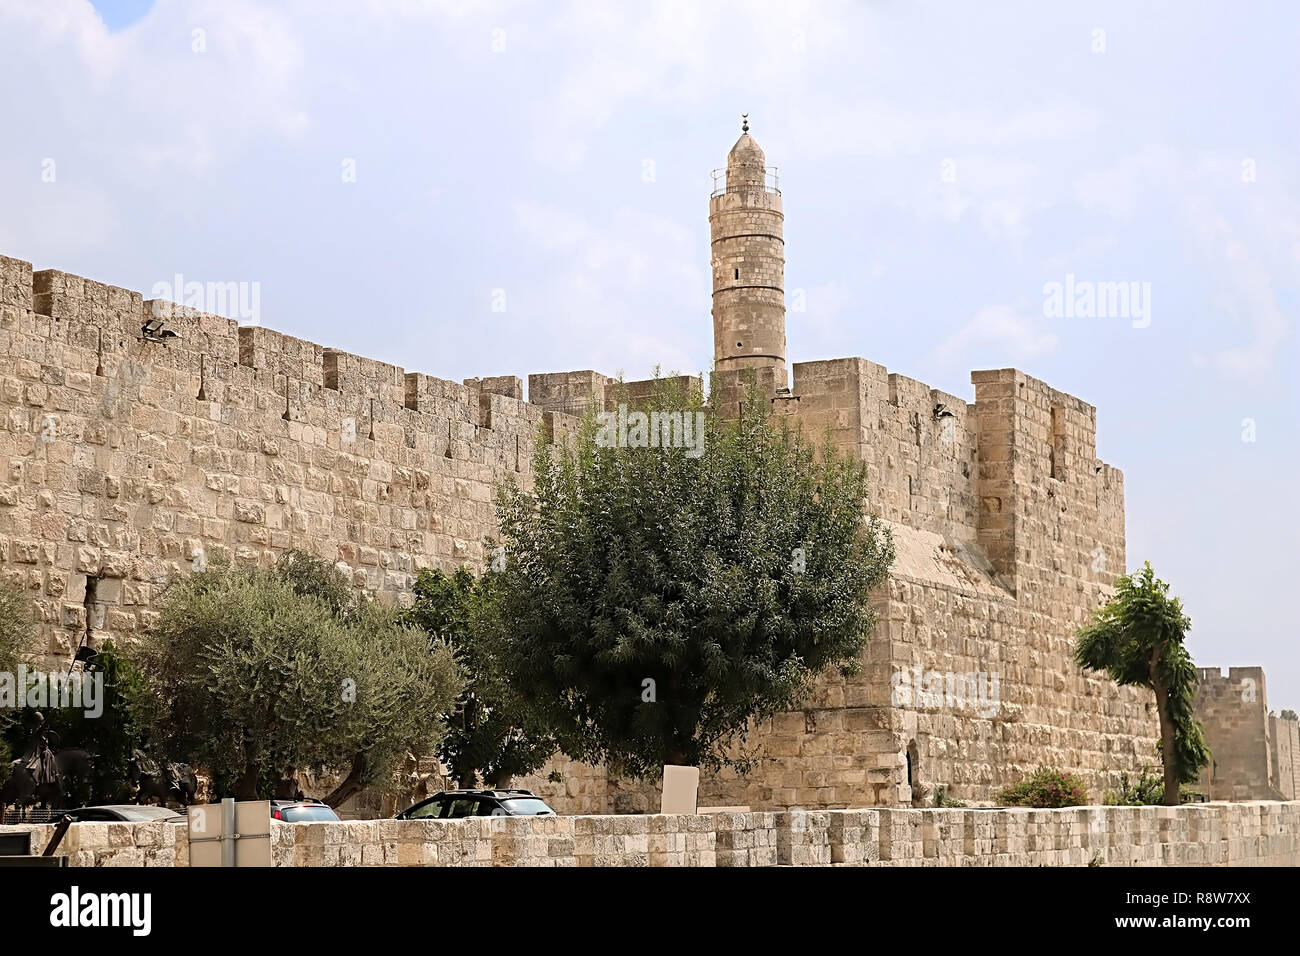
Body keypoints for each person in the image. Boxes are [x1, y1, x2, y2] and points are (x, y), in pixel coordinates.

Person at [21, 712, 61, 789]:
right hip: (36, 752)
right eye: (41, 720)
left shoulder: (39, 730)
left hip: (39, 750)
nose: (43, 722)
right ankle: (50, 778)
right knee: (50, 757)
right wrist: (51, 715)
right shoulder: (37, 729)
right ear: (39, 721)